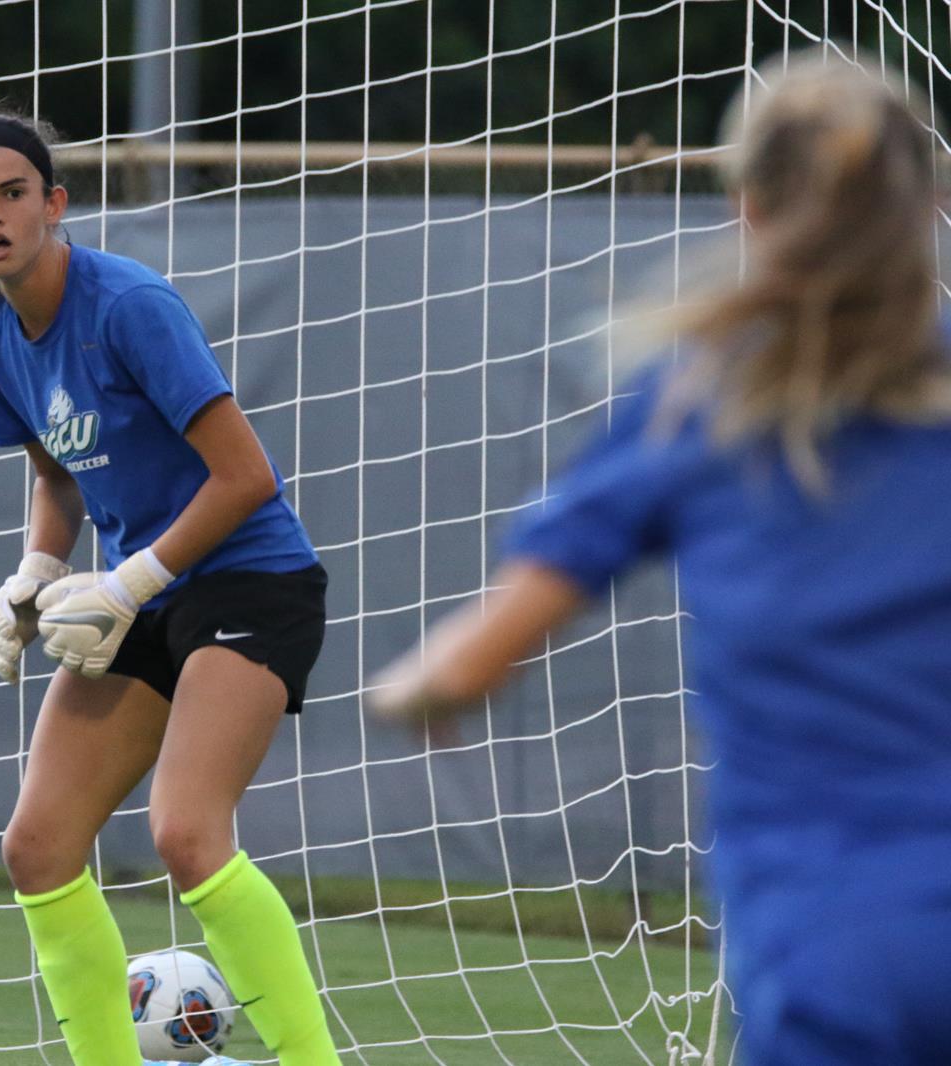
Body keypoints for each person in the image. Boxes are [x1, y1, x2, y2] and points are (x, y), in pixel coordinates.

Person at [370, 57, 951, 1066]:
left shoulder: (700, 405)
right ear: (926, 208)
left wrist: (408, 689)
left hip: (830, 948)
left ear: (746, 208)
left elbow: (465, 665)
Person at [0, 108, 344, 1066]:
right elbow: (55, 477)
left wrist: (127, 582)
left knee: (186, 833)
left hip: (250, 580)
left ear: (54, 205)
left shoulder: (128, 304)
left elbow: (246, 477)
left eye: (13, 193)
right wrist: (37, 573)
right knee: (37, 847)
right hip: (143, 594)